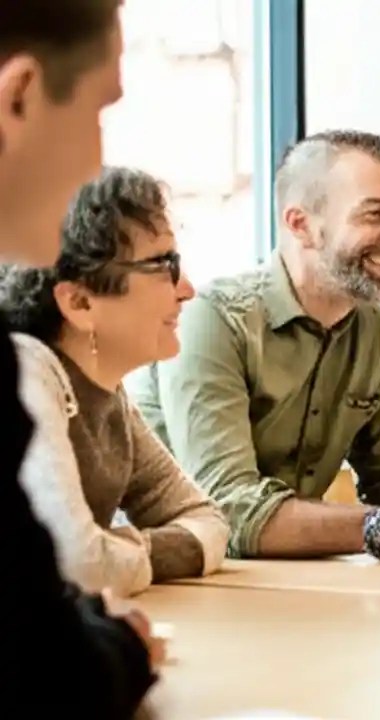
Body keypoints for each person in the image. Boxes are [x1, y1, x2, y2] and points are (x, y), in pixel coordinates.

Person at [126, 130, 380, 561]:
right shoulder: (211, 320)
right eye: (375, 215)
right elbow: (227, 510)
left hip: (290, 588)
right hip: (173, 585)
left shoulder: (372, 329)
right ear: (301, 224)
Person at [1, 1, 164, 717]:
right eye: (101, 109)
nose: (99, 159)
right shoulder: (24, 365)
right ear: (19, 97)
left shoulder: (113, 396)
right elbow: (50, 674)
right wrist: (119, 646)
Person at [0, 166, 229, 597]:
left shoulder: (107, 391)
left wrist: (121, 549)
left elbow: (207, 521)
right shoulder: (27, 372)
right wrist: (121, 554)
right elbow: (77, 563)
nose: (187, 289)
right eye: (165, 264)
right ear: (80, 302)